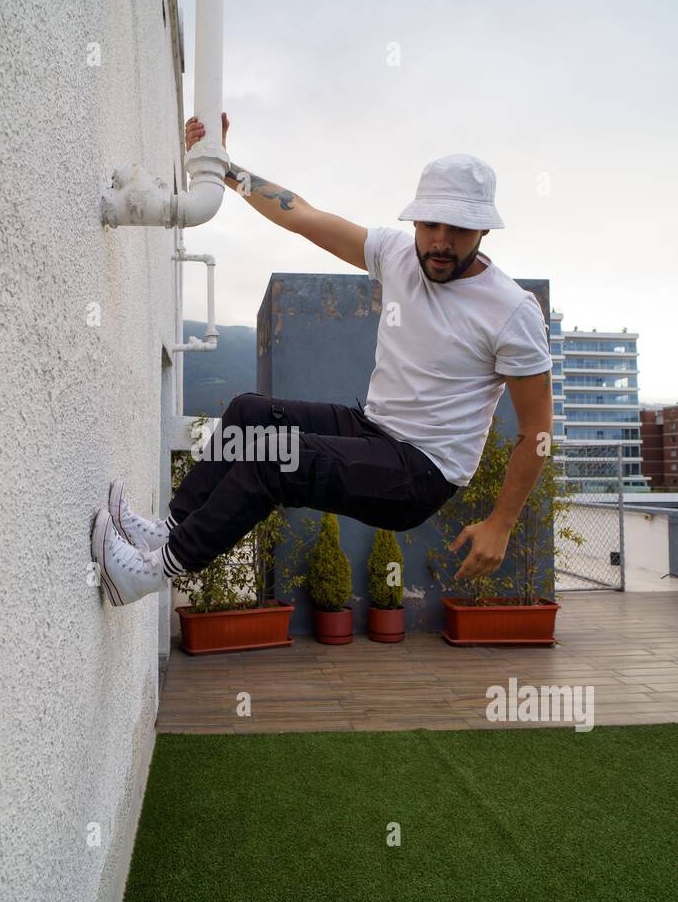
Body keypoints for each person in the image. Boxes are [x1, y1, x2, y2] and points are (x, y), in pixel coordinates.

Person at [91, 113, 553, 607]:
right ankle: (167, 531)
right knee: (249, 414)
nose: (440, 241)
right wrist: (224, 169)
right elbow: (302, 215)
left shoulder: (511, 311)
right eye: (430, 224)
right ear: (415, 220)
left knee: (273, 459)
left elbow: (537, 431)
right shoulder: (397, 253)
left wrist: (501, 524)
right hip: (375, 428)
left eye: (458, 228)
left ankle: (149, 574)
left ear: (483, 229)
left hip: (421, 473)